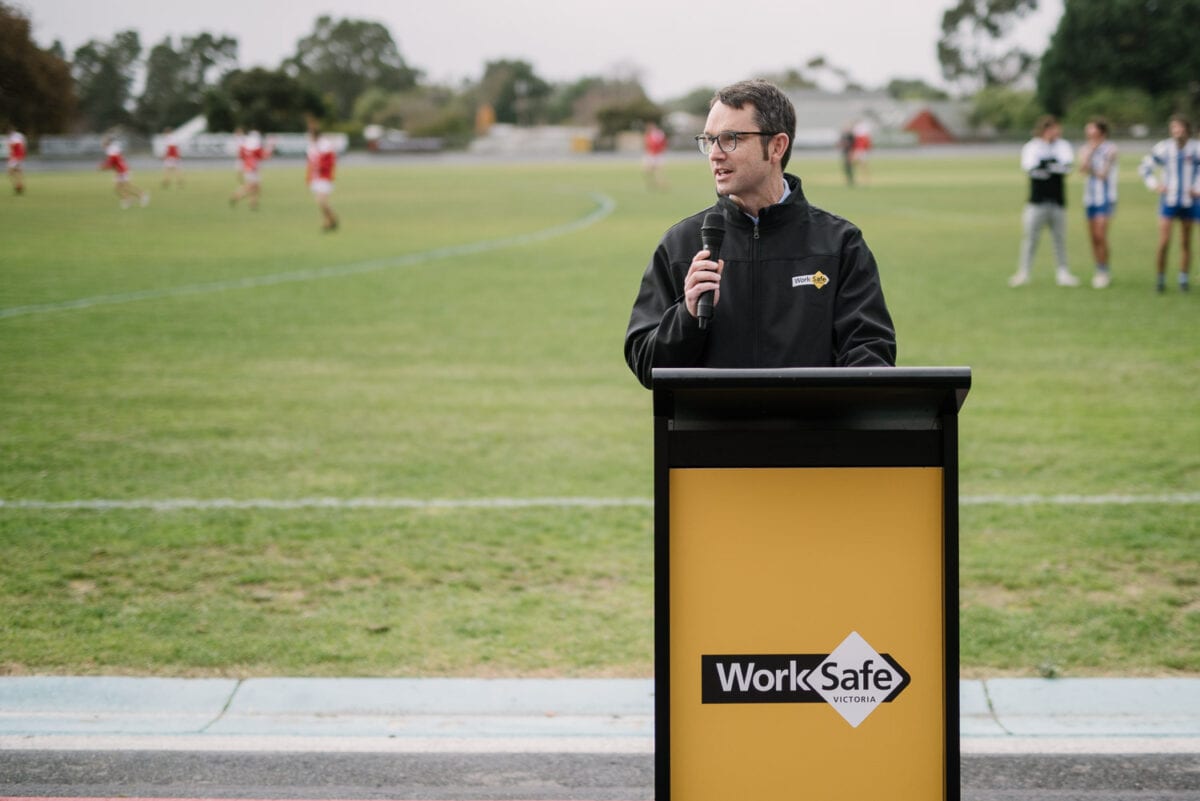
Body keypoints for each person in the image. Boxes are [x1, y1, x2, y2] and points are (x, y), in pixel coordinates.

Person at [624, 79, 896, 390]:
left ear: (777, 146)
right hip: (712, 439)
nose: (714, 154)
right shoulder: (681, 245)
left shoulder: (839, 244)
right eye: (709, 140)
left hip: (812, 437)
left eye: (730, 139)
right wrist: (686, 315)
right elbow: (645, 364)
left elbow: (872, 356)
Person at [1010, 115, 1079, 288]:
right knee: (1030, 238)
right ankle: (1024, 272)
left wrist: (1046, 167)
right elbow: (1032, 170)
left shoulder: (1063, 146)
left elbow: (1066, 167)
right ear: (1046, 129)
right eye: (1054, 128)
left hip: (1057, 200)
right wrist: (1052, 167)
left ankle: (1063, 273)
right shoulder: (1032, 147)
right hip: (1037, 201)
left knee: (1059, 239)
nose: (1057, 132)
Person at [1138, 114, 1199, 293]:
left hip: (1190, 201)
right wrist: (1154, 185)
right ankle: (1160, 279)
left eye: (1180, 128)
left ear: (1187, 130)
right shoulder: (1164, 148)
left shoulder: (1196, 149)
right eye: (1174, 128)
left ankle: (1183, 279)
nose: (1177, 131)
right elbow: (1145, 167)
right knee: (1164, 241)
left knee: (1186, 242)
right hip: (1169, 200)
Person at [1078, 117, 1119, 289]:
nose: (1088, 132)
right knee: (1093, 237)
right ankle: (1098, 269)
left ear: (1101, 131)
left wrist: (1092, 157)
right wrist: (1090, 152)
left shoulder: (1111, 149)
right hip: (1090, 198)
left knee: (1101, 234)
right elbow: (1082, 169)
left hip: (1106, 197)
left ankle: (1104, 270)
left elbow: (1104, 174)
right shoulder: (1085, 149)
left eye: (1091, 129)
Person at [98, 137, 149, 209]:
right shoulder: (111, 150)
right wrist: (104, 167)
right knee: (118, 188)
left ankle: (142, 195)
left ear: (106, 143)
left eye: (103, 143)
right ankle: (129, 199)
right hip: (120, 170)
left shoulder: (111, 151)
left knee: (126, 186)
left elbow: (111, 163)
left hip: (122, 170)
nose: (102, 144)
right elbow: (112, 163)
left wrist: (103, 167)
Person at [229, 128, 273, 210]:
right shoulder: (256, 148)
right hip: (253, 169)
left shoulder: (246, 147)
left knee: (256, 187)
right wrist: (270, 146)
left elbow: (242, 157)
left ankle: (253, 203)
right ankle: (237, 196)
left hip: (249, 168)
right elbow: (264, 156)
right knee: (251, 186)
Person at [305, 124, 338, 232]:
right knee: (321, 202)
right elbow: (310, 163)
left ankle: (330, 220)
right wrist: (309, 177)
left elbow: (331, 161)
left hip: (324, 176)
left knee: (321, 201)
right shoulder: (311, 146)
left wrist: (320, 166)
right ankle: (330, 221)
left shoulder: (325, 145)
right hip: (315, 177)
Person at [643, 121, 669, 190]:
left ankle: (660, 183)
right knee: (650, 170)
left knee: (657, 170)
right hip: (652, 154)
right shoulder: (650, 135)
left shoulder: (657, 134)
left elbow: (660, 143)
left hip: (655, 154)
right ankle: (654, 183)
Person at [7, 127, 26, 195]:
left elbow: (16, 148)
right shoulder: (18, 137)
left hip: (15, 158)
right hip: (16, 157)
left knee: (11, 172)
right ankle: (19, 185)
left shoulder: (14, 139)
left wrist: (18, 157)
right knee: (17, 171)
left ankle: (18, 185)